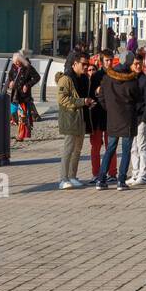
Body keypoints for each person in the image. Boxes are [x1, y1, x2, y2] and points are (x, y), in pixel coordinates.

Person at [95, 53, 145, 191]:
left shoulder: (107, 78)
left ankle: (101, 179)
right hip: (128, 118)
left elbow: (101, 97)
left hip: (112, 118)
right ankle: (121, 180)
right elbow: (139, 100)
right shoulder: (132, 80)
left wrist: (109, 109)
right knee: (126, 150)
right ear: (129, 63)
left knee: (110, 148)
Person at [56, 53, 90, 189]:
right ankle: (63, 178)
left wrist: (88, 102)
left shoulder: (84, 78)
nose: (86, 67)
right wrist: (82, 101)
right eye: (83, 64)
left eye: (87, 64)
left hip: (81, 118)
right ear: (74, 64)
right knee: (68, 149)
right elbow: (62, 99)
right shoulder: (66, 79)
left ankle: (72, 176)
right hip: (70, 118)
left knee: (78, 149)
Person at [85, 59, 116, 182]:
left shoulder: (114, 74)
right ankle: (96, 173)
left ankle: (112, 173)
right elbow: (89, 95)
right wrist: (95, 93)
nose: (109, 62)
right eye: (107, 60)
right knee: (96, 146)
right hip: (96, 116)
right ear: (102, 61)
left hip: (110, 116)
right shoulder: (95, 77)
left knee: (111, 145)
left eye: (111, 60)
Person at [126, 57, 146, 185]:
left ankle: (143, 174)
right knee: (133, 147)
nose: (138, 66)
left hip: (142, 118)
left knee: (141, 145)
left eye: (139, 63)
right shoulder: (129, 79)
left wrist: (144, 117)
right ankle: (135, 172)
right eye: (135, 64)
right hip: (130, 118)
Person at [6, 52, 41, 142]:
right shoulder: (13, 66)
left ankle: (21, 135)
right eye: (15, 62)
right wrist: (10, 82)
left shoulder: (28, 67)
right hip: (14, 95)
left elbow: (37, 77)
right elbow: (10, 76)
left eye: (18, 62)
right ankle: (24, 131)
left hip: (23, 96)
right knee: (13, 113)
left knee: (22, 116)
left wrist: (28, 85)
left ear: (21, 60)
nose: (16, 64)